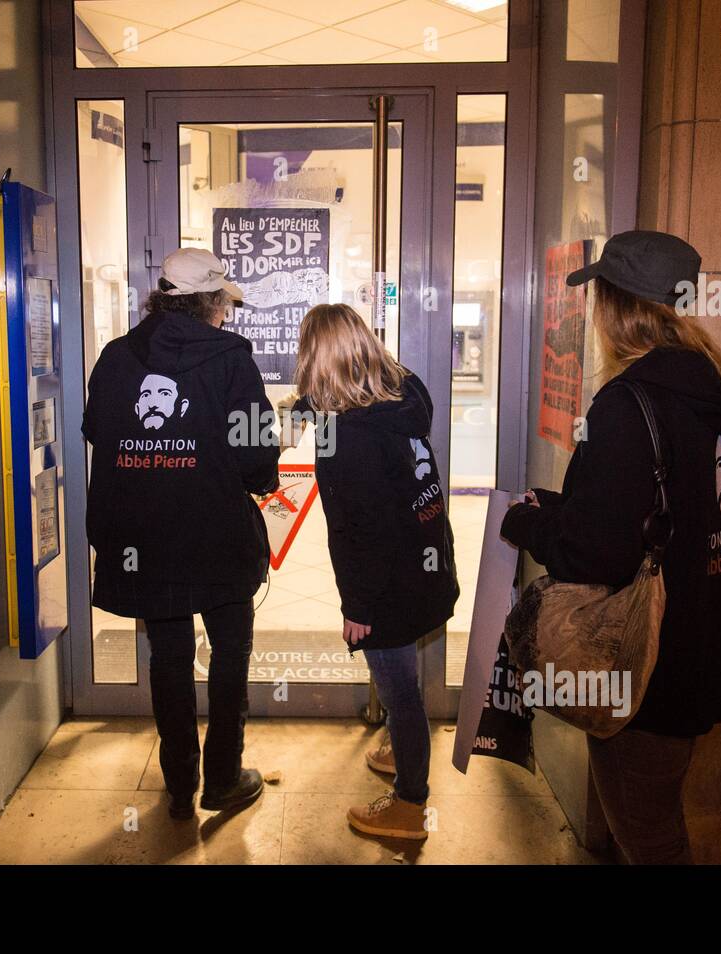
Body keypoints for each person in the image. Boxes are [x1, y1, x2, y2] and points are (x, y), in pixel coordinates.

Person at [501, 230, 721, 864]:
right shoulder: (716, 393)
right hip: (707, 634)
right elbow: (661, 513)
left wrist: (526, 526)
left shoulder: (629, 403)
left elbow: (595, 554)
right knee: (649, 820)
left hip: (648, 656)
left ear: (617, 306)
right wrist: (560, 505)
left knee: (647, 833)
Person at [82, 247, 280, 820]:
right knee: (230, 652)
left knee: (167, 658)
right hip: (217, 535)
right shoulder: (231, 359)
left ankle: (178, 783)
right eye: (224, 304)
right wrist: (259, 476)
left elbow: (98, 429)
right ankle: (222, 777)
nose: (227, 315)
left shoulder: (117, 358)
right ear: (211, 302)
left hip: (145, 540)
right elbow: (254, 453)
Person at [291, 304, 459, 841]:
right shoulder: (404, 394)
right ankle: (401, 750)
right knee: (402, 681)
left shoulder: (345, 438)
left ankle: (411, 802)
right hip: (427, 562)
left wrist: (357, 609)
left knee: (400, 690)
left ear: (318, 360)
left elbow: (356, 531)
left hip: (386, 586)